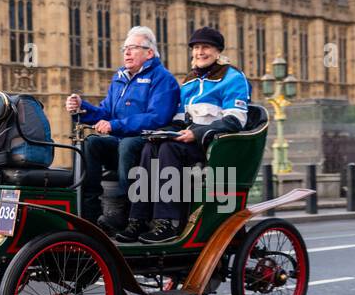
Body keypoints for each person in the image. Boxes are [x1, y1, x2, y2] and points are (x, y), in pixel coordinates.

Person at [117, 27, 251, 244]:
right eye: (196, 48)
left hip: (212, 147)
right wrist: (162, 132)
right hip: (187, 143)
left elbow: (235, 120)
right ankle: (138, 219)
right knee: (151, 146)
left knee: (169, 148)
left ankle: (168, 222)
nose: (200, 52)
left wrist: (195, 134)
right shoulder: (188, 82)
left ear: (217, 51)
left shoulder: (233, 78)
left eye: (205, 47)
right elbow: (179, 119)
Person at [66, 27, 180, 231]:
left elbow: (158, 117)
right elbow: (106, 112)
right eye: (125, 48)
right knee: (92, 143)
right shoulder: (120, 78)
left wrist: (115, 125)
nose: (126, 52)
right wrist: (82, 108)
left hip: (149, 143)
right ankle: (89, 212)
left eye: (133, 48)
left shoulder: (163, 79)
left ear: (149, 53)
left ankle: (129, 215)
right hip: (120, 143)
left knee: (127, 145)